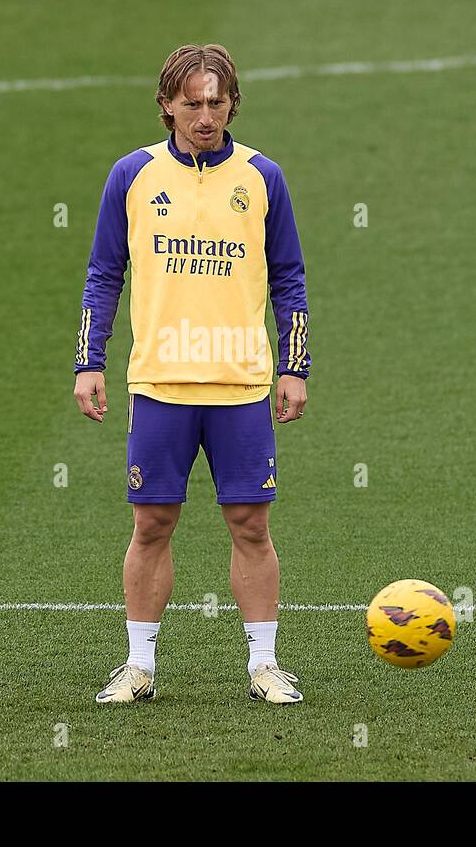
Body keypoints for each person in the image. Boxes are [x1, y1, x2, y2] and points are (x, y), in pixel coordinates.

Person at [73, 44, 311, 705]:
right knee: (151, 525)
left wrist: (295, 367)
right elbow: (103, 275)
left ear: (232, 102)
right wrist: (89, 361)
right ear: (167, 105)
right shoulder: (132, 175)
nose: (204, 116)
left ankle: (265, 665)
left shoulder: (264, 177)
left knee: (250, 526)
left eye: (216, 101)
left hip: (240, 385)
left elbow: (289, 278)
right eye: (191, 103)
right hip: (160, 384)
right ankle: (139, 666)